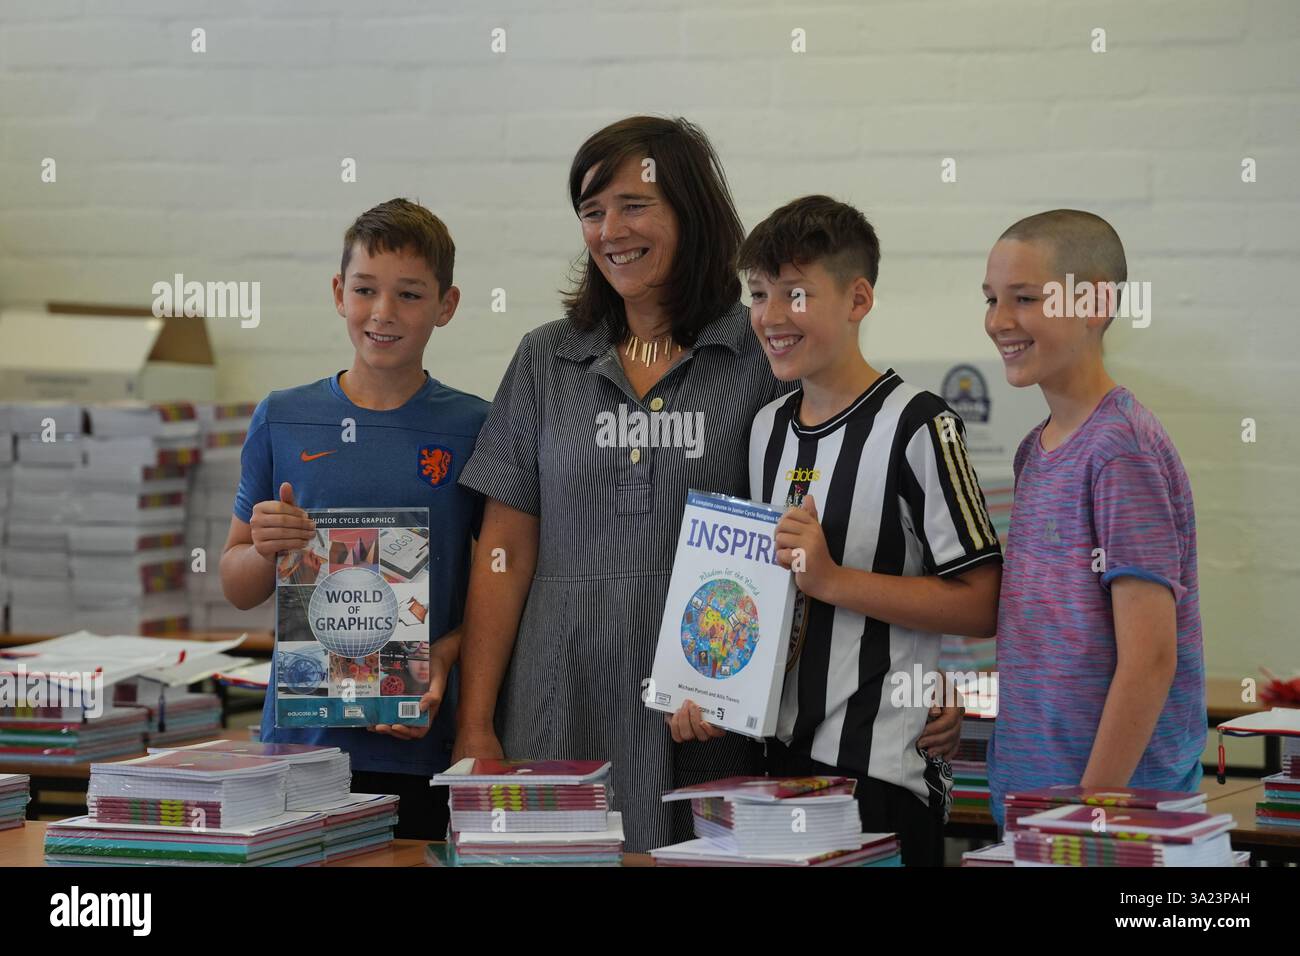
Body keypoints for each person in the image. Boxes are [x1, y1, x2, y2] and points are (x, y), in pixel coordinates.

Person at [672, 195, 1002, 865]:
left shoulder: (920, 425)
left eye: (795, 294)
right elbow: (761, 595)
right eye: (759, 294)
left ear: (857, 299)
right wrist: (706, 684)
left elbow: (983, 601)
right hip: (775, 766)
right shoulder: (767, 428)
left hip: (878, 775)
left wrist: (834, 581)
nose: (769, 316)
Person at [219, 198, 488, 839]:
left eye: (410, 295)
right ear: (340, 293)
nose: (383, 313)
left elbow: (500, 590)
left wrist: (444, 659)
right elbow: (235, 586)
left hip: (419, 742)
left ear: (446, 306)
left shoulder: (475, 427)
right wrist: (262, 547)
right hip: (301, 746)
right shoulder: (281, 417)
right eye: (365, 290)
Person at [981, 210, 1206, 828]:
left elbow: (1150, 657)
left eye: (1024, 299)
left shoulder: (1120, 450)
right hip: (1033, 805)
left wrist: (1090, 810)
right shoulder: (1036, 448)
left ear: (1094, 304)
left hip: (1107, 818)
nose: (999, 321)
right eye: (992, 299)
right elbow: (1045, 633)